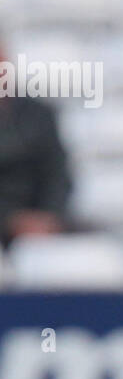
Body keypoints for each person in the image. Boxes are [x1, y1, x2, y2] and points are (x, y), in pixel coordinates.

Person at [0, 40, 73, 249]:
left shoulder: (38, 114)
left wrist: (48, 216)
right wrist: (9, 221)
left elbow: (57, 173)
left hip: (40, 223)